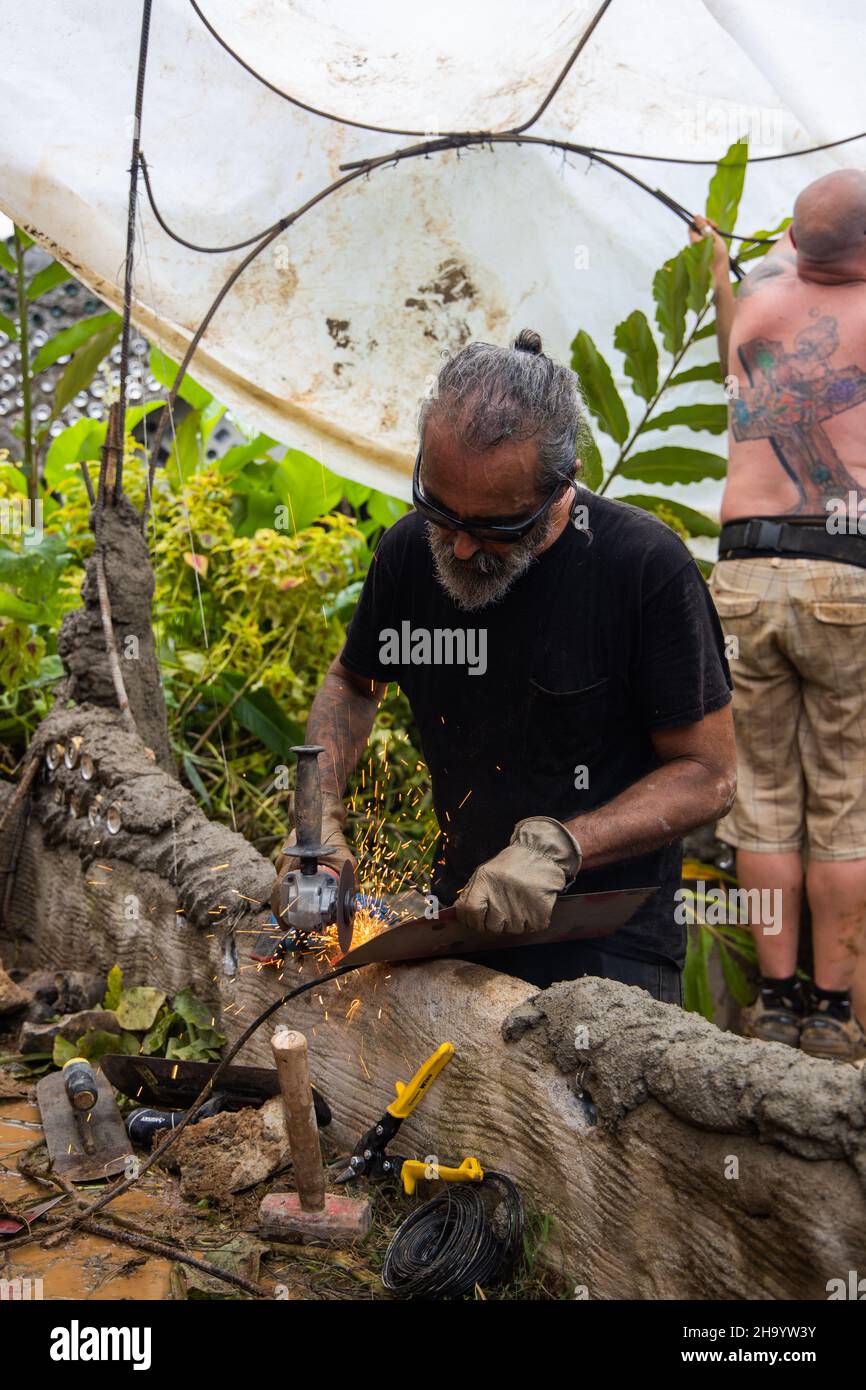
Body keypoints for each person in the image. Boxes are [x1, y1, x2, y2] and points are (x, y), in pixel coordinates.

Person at [273, 329, 735, 1001]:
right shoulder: (409, 553)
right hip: (461, 917)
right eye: (438, 510)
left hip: (606, 940)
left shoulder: (644, 570)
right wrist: (317, 822)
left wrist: (563, 849)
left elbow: (710, 774)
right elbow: (353, 680)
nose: (459, 548)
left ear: (562, 487)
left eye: (495, 527)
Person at [693, 168, 866, 1061]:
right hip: (848, 571)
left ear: (795, 244)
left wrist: (722, 264)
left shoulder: (758, 306)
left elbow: (739, 337)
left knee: (760, 797)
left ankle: (774, 999)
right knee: (843, 803)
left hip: (747, 573)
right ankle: (833, 1013)